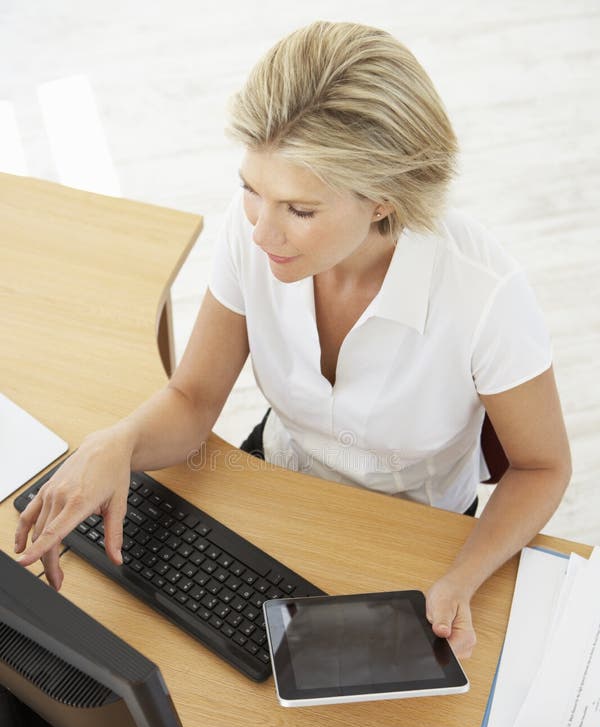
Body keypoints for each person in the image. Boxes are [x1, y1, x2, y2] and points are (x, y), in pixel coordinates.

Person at [14, 21, 571, 659]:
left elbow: (544, 466)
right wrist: (118, 441)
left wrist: (460, 579)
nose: (261, 233)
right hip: (275, 483)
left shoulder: (483, 294)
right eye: (253, 190)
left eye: (300, 210)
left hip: (412, 534)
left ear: (383, 201)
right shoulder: (252, 228)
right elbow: (195, 397)